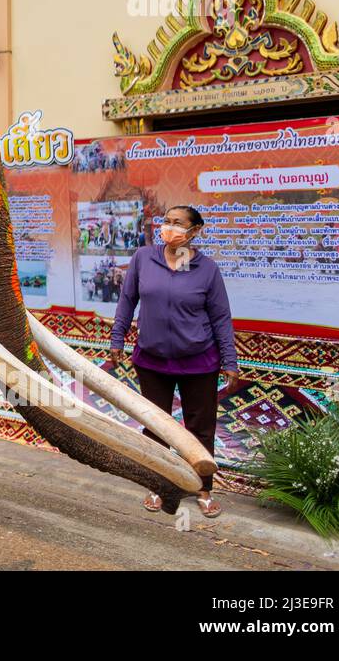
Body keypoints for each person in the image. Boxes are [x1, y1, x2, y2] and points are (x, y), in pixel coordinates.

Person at [109, 205, 240, 519]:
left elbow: (221, 317)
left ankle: (203, 488)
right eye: (166, 221)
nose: (169, 228)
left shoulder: (206, 269)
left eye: (178, 223)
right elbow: (128, 300)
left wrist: (230, 360)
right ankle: (158, 483)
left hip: (199, 362)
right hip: (152, 361)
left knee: (200, 427)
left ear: (194, 232)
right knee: (156, 426)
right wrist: (118, 338)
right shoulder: (144, 258)